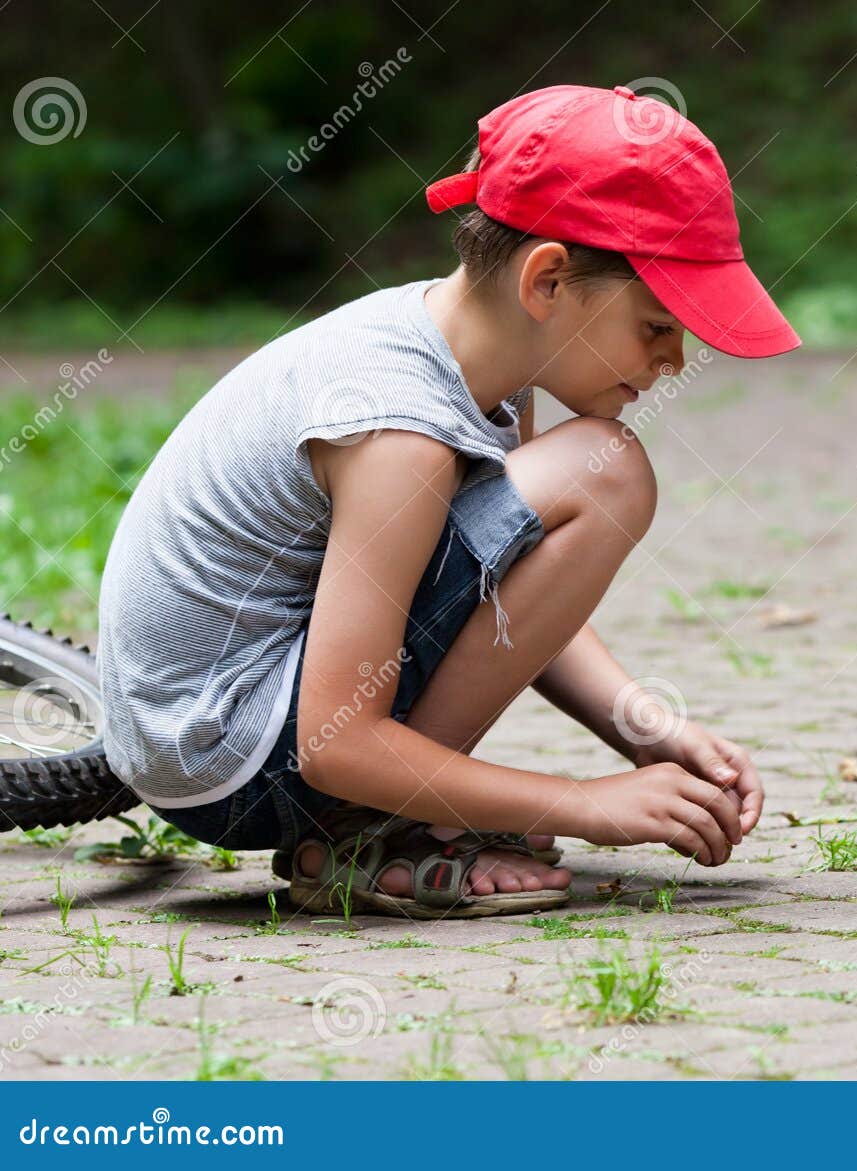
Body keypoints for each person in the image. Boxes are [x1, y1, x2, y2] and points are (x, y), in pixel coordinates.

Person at [96, 84, 801, 918]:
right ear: (547, 280)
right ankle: (371, 834)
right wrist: (586, 804)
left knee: (594, 471)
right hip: (236, 764)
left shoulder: (478, 363)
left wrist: (647, 729)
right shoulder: (402, 431)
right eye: (656, 326)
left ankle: (395, 814)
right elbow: (338, 745)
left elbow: (501, 595)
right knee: (606, 469)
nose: (676, 359)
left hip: (236, 730)